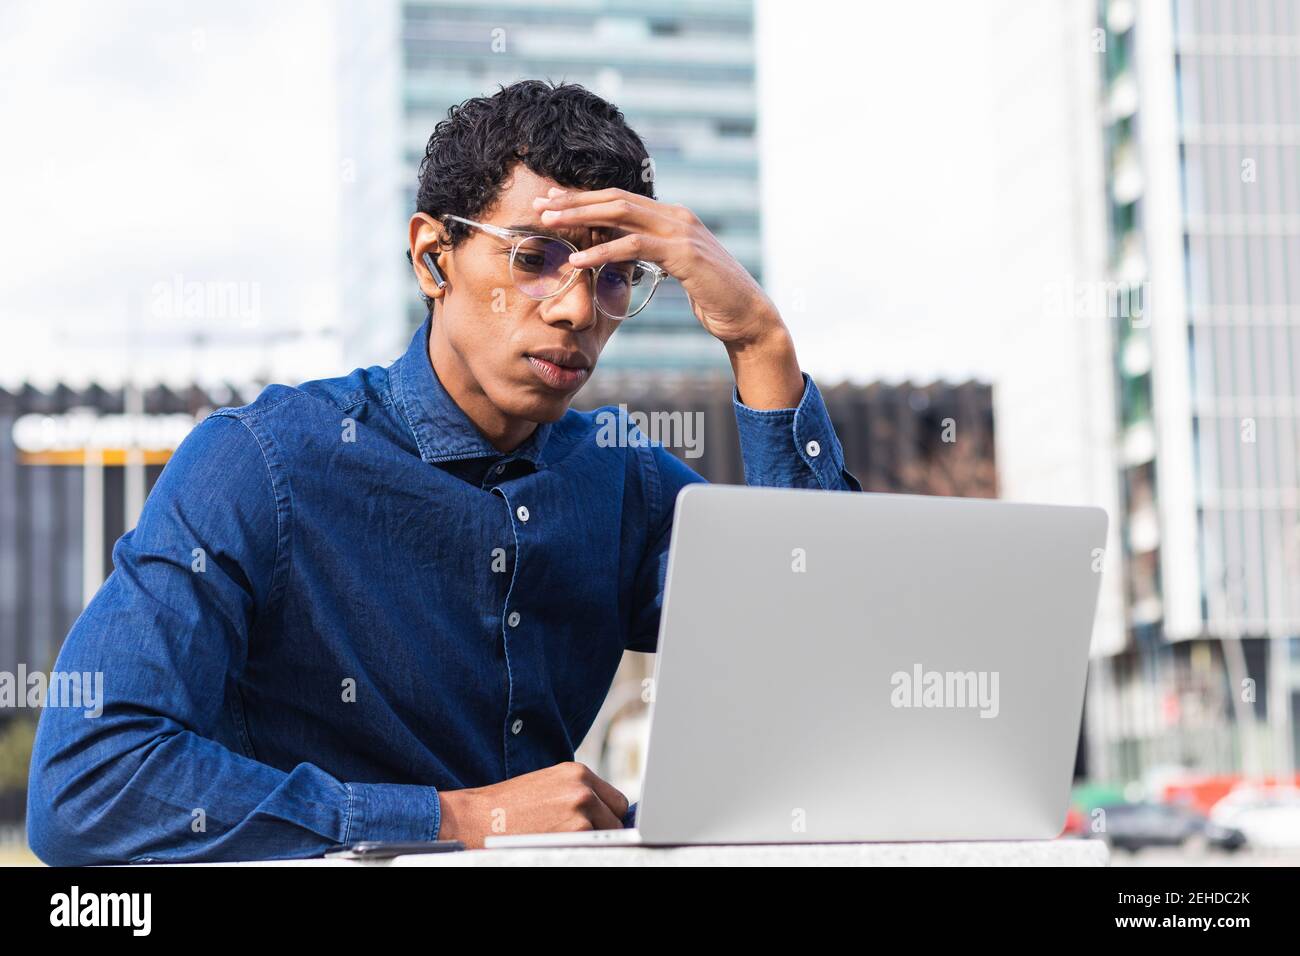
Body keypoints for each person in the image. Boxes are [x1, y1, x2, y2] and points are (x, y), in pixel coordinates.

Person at [27, 79, 860, 863]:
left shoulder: (625, 480)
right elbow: (89, 785)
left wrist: (760, 343)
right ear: (433, 258)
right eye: (535, 258)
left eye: (613, 278)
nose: (576, 309)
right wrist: (459, 819)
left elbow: (824, 674)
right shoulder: (262, 463)